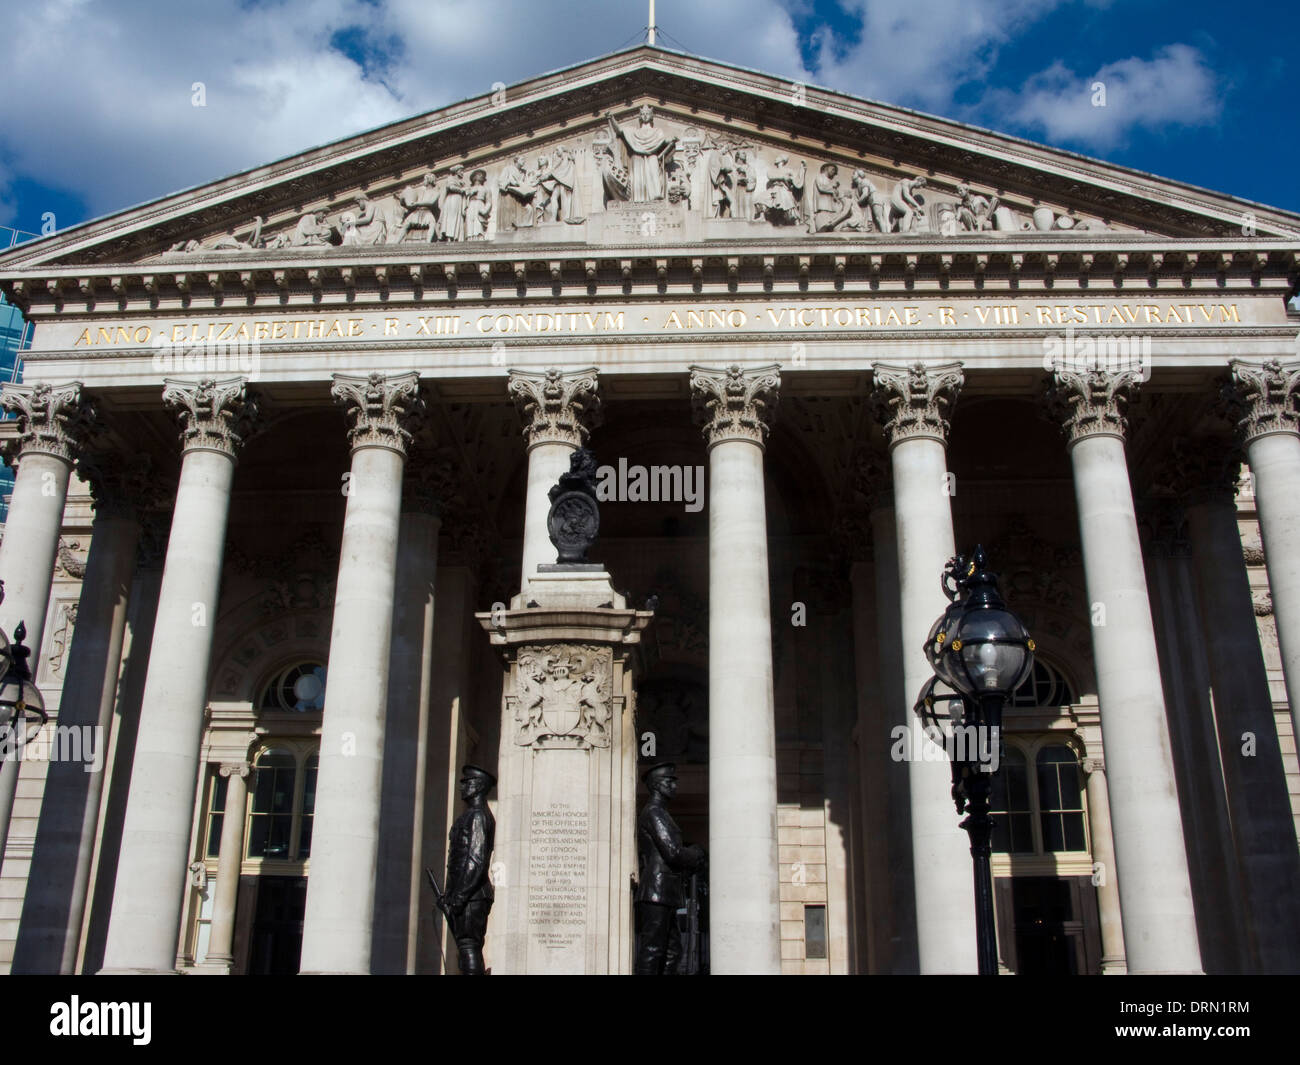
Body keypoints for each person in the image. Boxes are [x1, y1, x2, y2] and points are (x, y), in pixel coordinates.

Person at [635, 762, 704, 975]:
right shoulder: (654, 812)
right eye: (669, 781)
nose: (674, 785)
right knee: (653, 949)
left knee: (673, 950)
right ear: (657, 785)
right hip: (656, 890)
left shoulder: (661, 813)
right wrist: (696, 852)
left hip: (664, 891)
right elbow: (673, 852)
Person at [442, 764, 496, 975]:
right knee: (465, 947)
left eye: (468, 782)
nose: (462, 786)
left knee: (468, 946)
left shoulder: (478, 816)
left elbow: (476, 860)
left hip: (472, 895)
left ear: (479, 786)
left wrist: (459, 896)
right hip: (467, 894)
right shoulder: (471, 815)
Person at [606, 106, 676, 201]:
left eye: (647, 114)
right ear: (640, 116)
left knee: (654, 175)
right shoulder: (634, 132)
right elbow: (618, 130)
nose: (645, 116)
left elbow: (664, 141)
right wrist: (611, 118)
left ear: (651, 116)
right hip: (637, 158)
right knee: (638, 181)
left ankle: (656, 196)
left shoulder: (657, 132)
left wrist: (672, 140)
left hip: (652, 156)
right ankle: (638, 200)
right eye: (643, 114)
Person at [437, 164, 469, 242]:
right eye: (461, 171)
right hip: (452, 200)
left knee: (458, 217)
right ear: (457, 171)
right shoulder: (451, 178)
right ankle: (449, 236)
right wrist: (462, 190)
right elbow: (450, 187)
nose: (462, 173)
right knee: (451, 217)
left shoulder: (462, 182)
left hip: (458, 200)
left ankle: (456, 236)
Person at [464, 169, 492, 239]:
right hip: (470, 205)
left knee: (478, 223)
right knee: (470, 222)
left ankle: (479, 238)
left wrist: (485, 210)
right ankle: (470, 238)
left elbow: (489, 201)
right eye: (479, 175)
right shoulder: (469, 189)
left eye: (482, 175)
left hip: (480, 204)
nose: (481, 176)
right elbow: (464, 199)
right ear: (474, 177)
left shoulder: (486, 189)